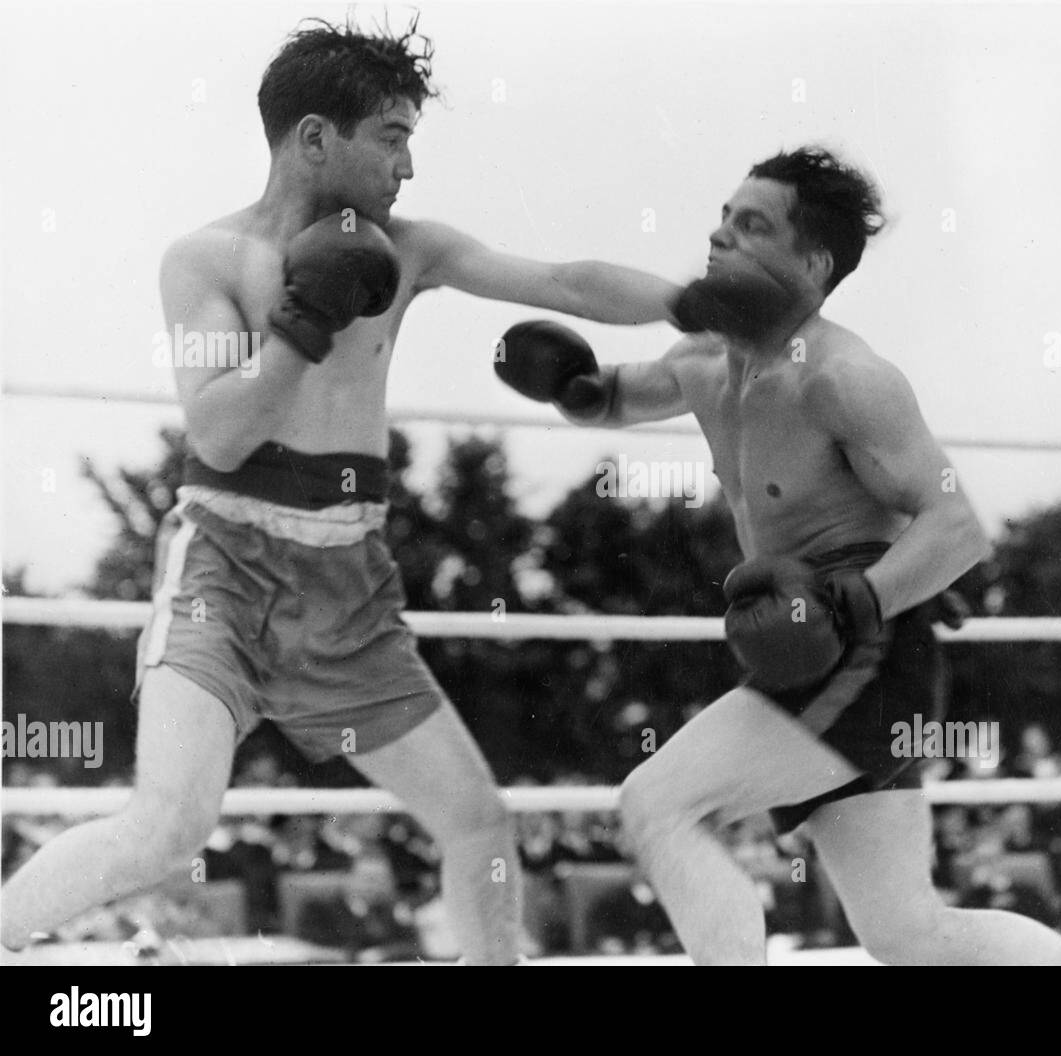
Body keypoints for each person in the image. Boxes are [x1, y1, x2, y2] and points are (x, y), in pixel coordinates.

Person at [0, 17, 681, 964]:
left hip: (349, 581)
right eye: (393, 137)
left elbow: (562, 281)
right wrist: (303, 323)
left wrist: (693, 303)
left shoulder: (413, 249)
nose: (407, 168)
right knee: (166, 826)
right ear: (317, 137)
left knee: (479, 825)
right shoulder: (205, 260)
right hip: (225, 570)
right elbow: (218, 430)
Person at [496, 146, 1061, 964]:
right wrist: (565, 384)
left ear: (812, 262)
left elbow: (957, 527)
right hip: (813, 645)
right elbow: (610, 396)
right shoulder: (706, 358)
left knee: (657, 804)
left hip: (866, 647)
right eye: (723, 217)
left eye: (751, 227)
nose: (719, 238)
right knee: (907, 934)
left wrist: (860, 599)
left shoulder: (846, 378)